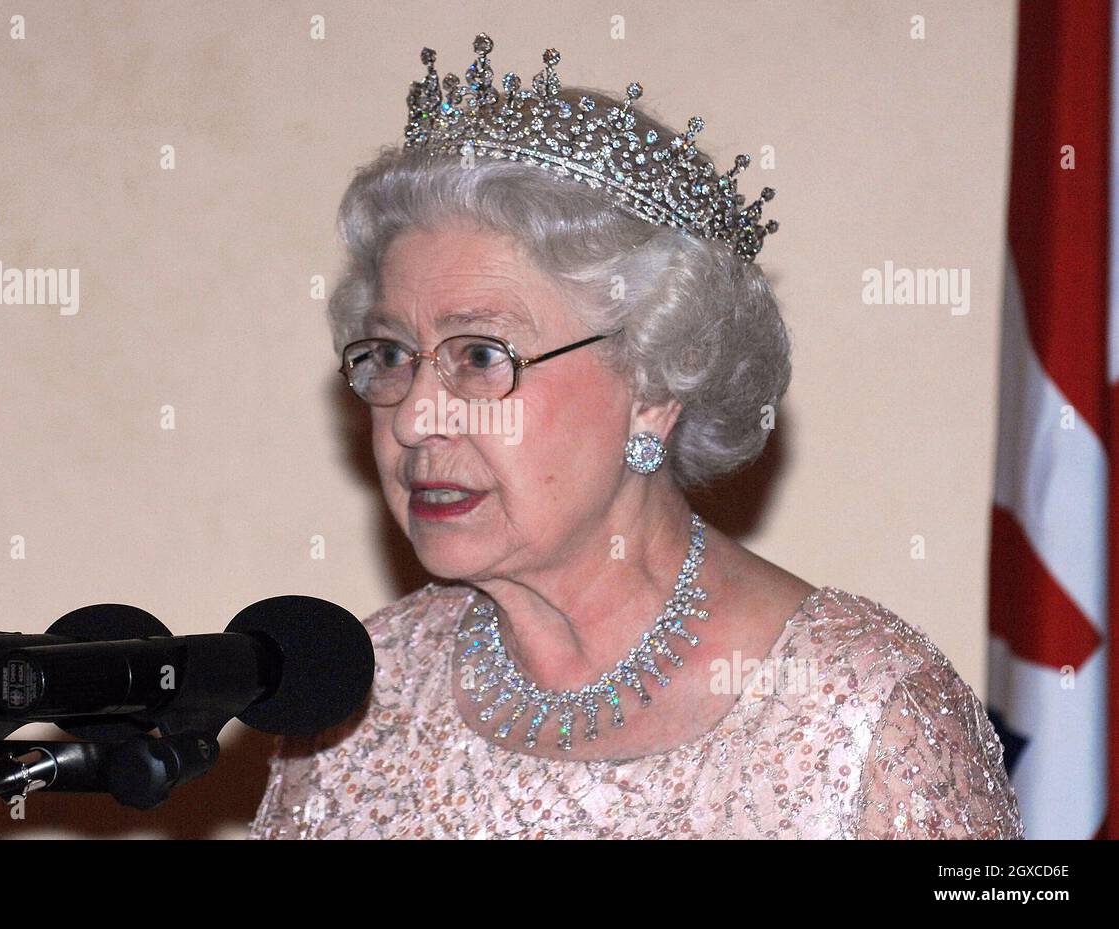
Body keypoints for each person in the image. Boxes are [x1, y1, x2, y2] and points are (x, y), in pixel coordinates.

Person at [249, 33, 1023, 839]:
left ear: (657, 382)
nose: (412, 417)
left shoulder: (864, 717)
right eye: (392, 356)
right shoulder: (356, 700)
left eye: (480, 355)